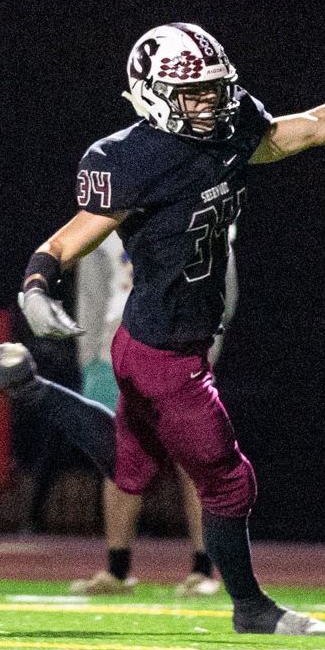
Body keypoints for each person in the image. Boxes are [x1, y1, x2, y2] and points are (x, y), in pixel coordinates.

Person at [0, 24, 325, 636]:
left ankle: (26, 384)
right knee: (230, 482)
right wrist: (36, 284)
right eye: (192, 93)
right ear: (149, 93)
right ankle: (251, 607)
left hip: (152, 339)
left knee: (129, 465)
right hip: (165, 353)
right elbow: (73, 234)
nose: (208, 103)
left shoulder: (230, 128)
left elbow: (305, 128)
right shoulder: (130, 158)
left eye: (212, 89)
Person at [69, 230, 220, 598]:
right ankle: (117, 570)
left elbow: (221, 288)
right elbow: (90, 294)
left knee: (193, 459)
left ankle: (204, 570)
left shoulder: (202, 211)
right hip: (116, 352)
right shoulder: (105, 217)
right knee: (120, 459)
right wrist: (90, 359)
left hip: (180, 350)